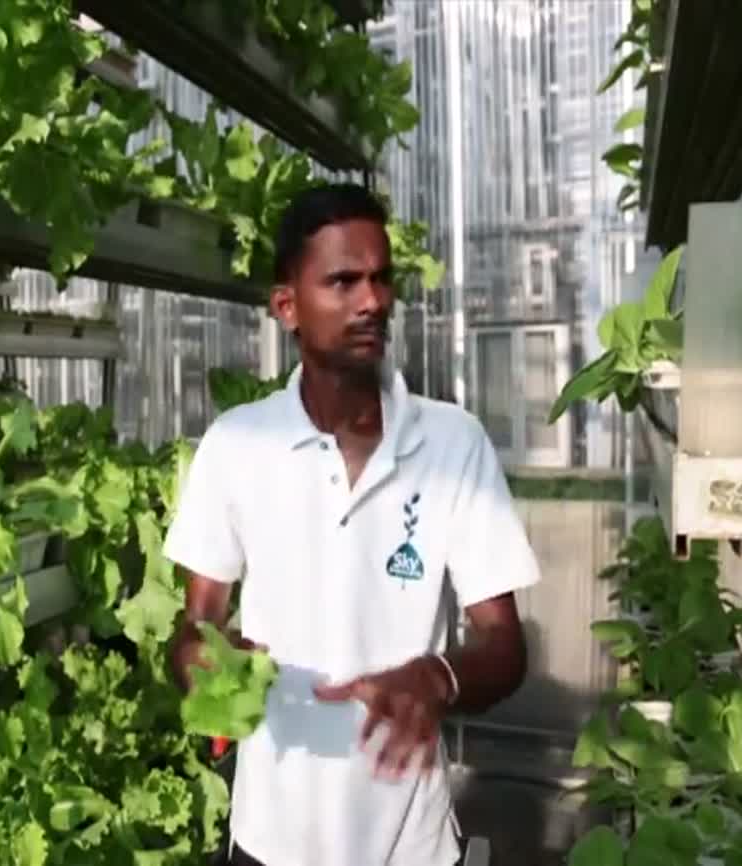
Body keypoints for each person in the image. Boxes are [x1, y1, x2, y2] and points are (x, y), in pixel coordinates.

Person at [164, 183, 541, 866]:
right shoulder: (236, 445)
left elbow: (504, 644)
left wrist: (437, 678)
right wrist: (205, 665)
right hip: (271, 842)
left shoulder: (452, 444)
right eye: (343, 281)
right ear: (287, 307)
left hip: (411, 845)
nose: (373, 301)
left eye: (381, 278)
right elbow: (196, 625)